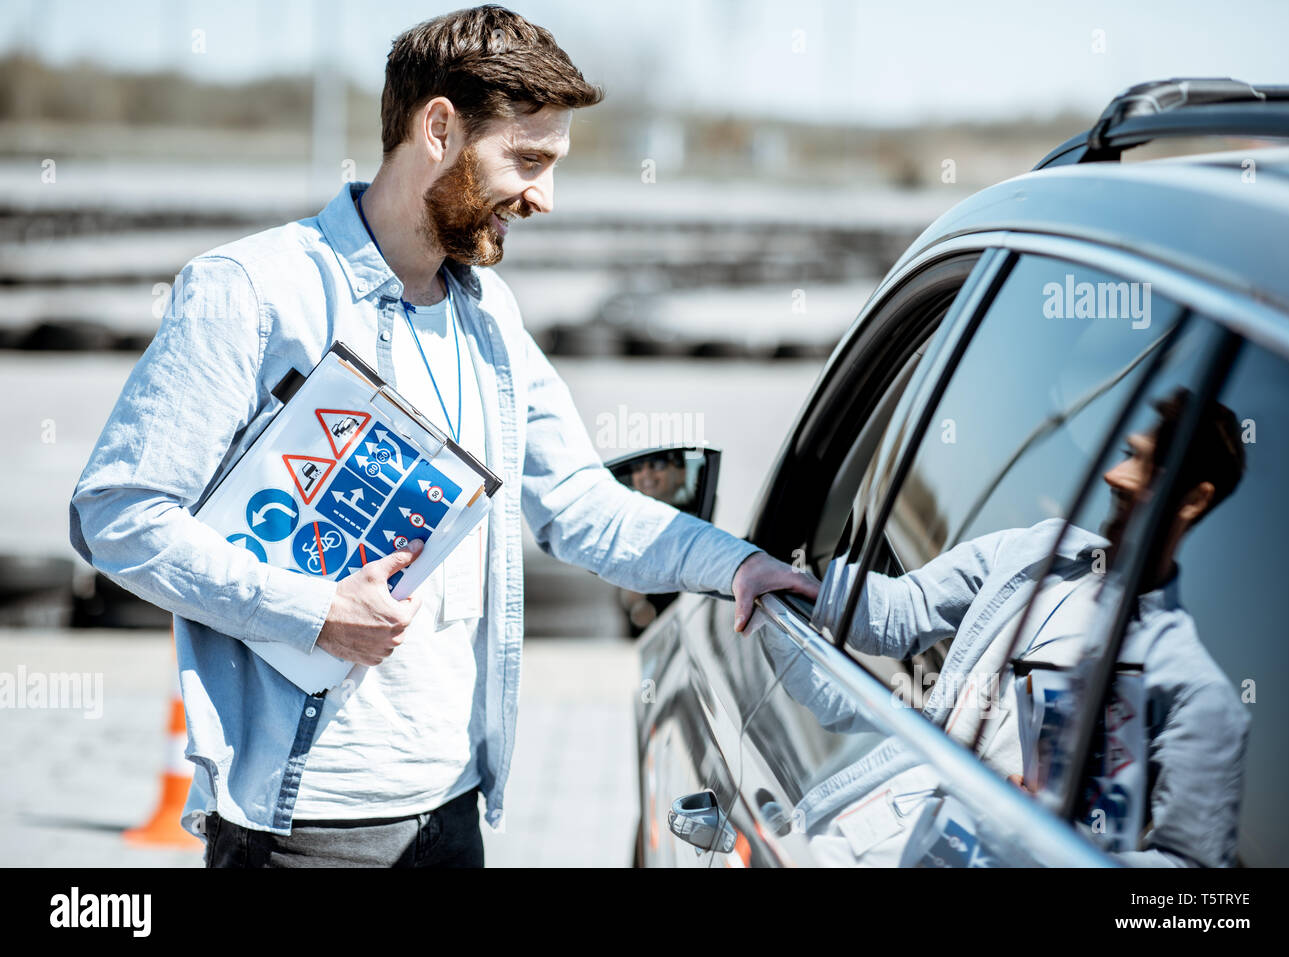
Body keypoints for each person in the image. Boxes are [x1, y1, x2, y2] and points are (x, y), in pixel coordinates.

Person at [68, 4, 818, 868]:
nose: (544, 197)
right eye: (527, 160)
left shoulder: (491, 315)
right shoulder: (251, 292)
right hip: (301, 828)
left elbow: (578, 504)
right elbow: (117, 515)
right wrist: (313, 612)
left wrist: (737, 564)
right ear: (437, 129)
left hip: (453, 813)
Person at [793, 390, 1249, 867]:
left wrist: (1061, 850)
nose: (1115, 475)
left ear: (1194, 499)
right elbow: (904, 610)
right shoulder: (1039, 551)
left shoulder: (1201, 694)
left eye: (1145, 465)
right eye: (1126, 453)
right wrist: (802, 583)